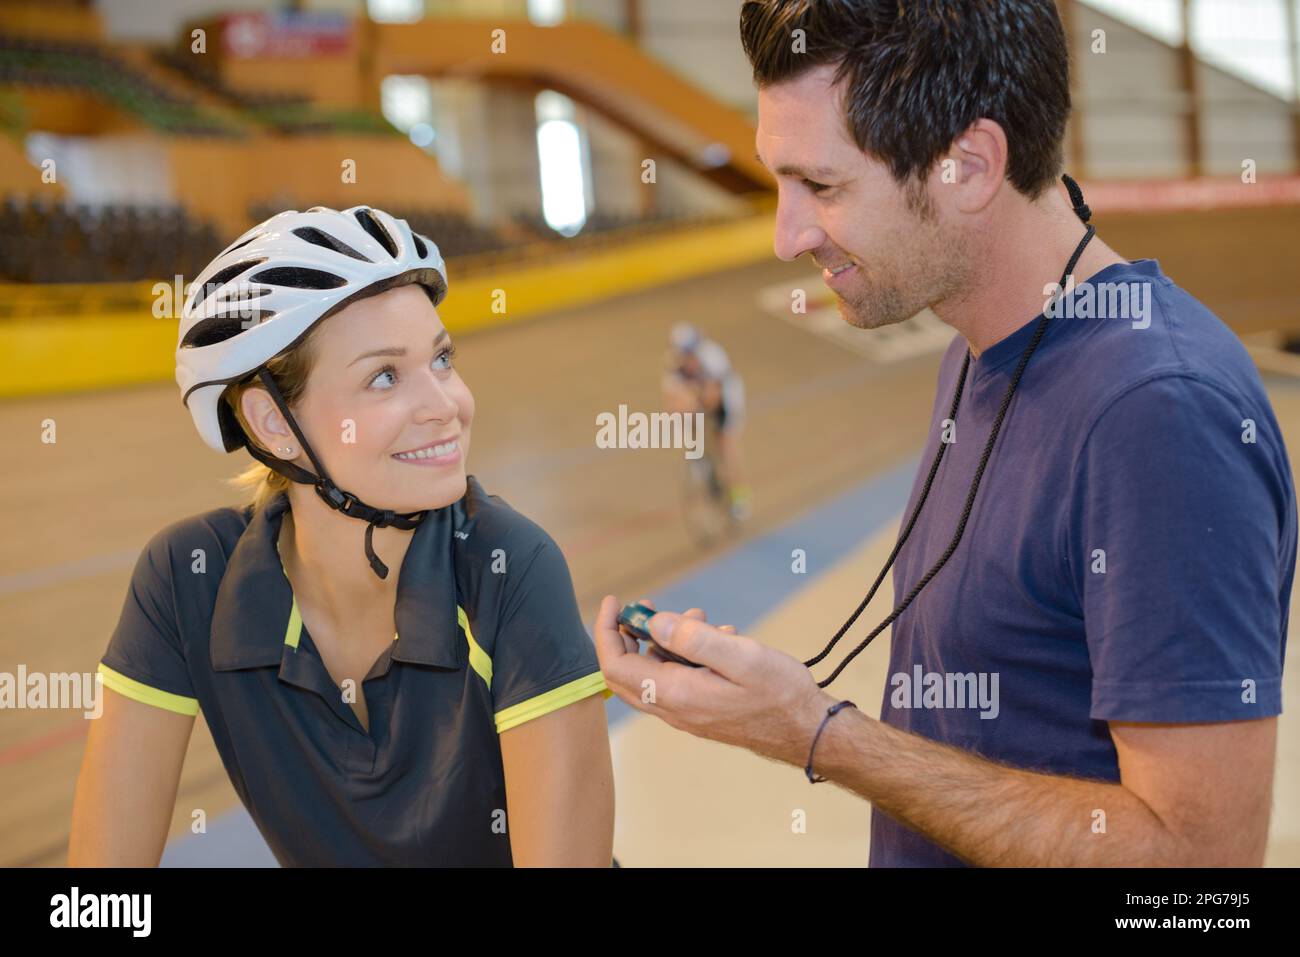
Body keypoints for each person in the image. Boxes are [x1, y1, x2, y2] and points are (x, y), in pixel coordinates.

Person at [595, 0, 1294, 866]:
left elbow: (1198, 875)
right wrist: (775, 705)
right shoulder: (977, 353)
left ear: (969, 165)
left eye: (821, 185)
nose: (786, 235)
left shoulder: (1158, 414)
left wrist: (818, 734)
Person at [69, 205, 615, 866]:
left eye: (441, 359)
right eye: (385, 376)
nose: (448, 405)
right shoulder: (187, 577)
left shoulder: (510, 570)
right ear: (272, 423)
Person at [661, 321, 752, 520]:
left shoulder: (713, 356)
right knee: (690, 426)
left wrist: (695, 405)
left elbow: (714, 397)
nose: (688, 358)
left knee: (725, 443)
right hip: (699, 396)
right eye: (684, 354)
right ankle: (704, 470)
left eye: (691, 353)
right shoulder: (673, 363)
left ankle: (739, 498)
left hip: (726, 398)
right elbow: (671, 398)